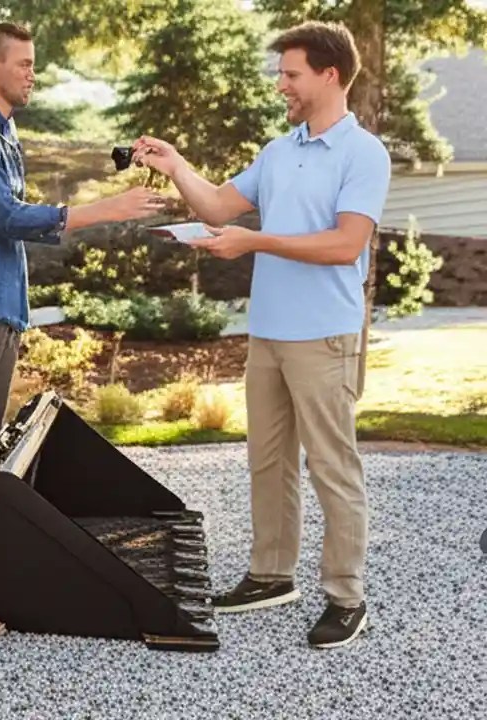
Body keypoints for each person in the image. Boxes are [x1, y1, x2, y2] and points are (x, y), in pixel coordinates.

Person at [132, 20, 391, 649]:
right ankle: (272, 574)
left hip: (325, 337)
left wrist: (257, 239)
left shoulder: (364, 154)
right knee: (267, 464)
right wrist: (175, 166)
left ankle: (345, 596)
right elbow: (219, 206)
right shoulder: (281, 151)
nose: (281, 85)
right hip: (269, 334)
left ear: (330, 75)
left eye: (291, 73)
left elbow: (345, 244)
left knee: (334, 468)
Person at [0, 20, 168, 640]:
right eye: (23, 63)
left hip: (1, 307)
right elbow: (5, 216)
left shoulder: (1, 131)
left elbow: (18, 211)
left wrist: (121, 165)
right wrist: (108, 208)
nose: (32, 73)